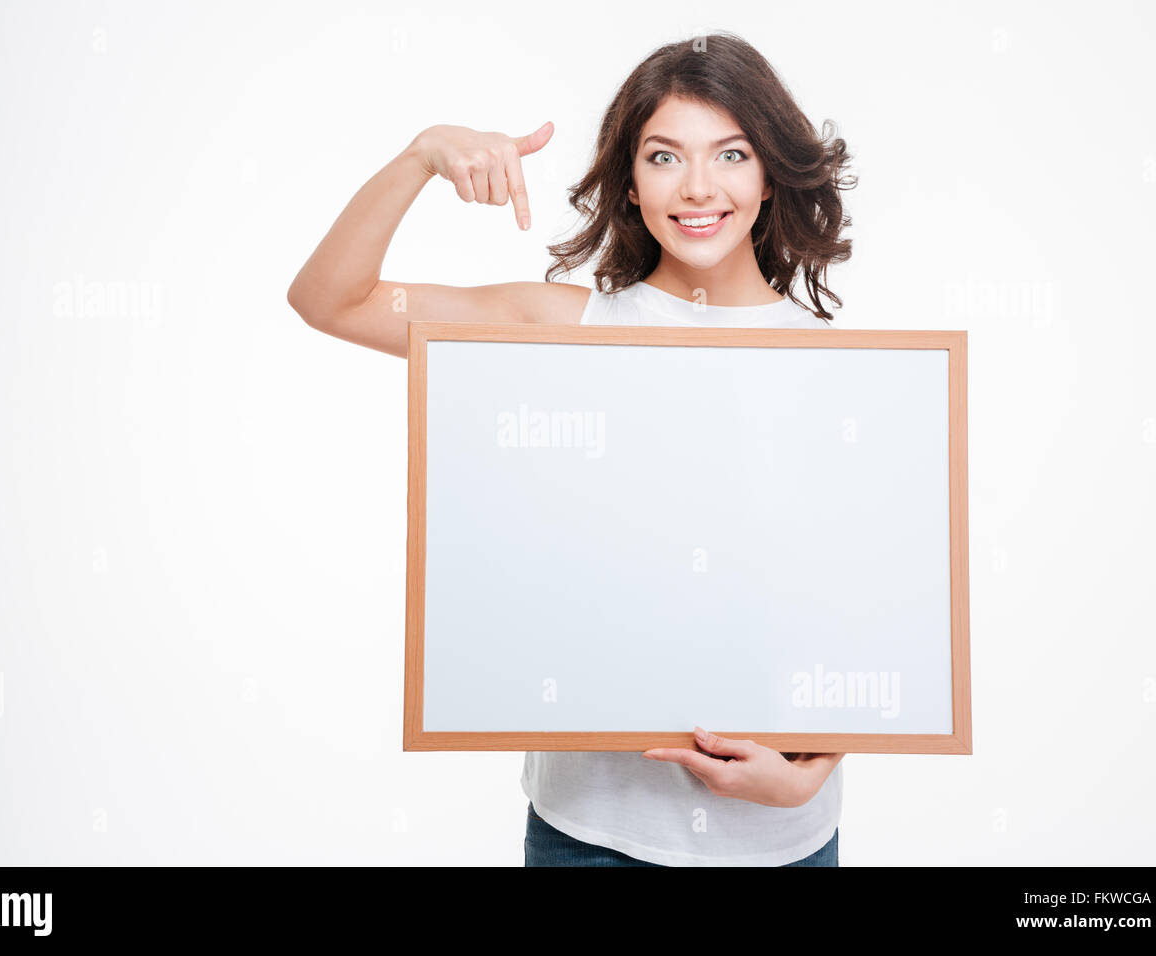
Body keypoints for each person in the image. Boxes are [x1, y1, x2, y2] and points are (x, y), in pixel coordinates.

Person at [287, 31, 856, 866]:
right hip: (590, 835)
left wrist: (810, 775)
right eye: (664, 156)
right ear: (629, 181)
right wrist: (419, 157)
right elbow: (330, 300)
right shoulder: (563, 328)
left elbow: (869, 610)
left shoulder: (841, 368)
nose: (698, 186)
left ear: (769, 173)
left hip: (782, 841)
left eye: (730, 153)